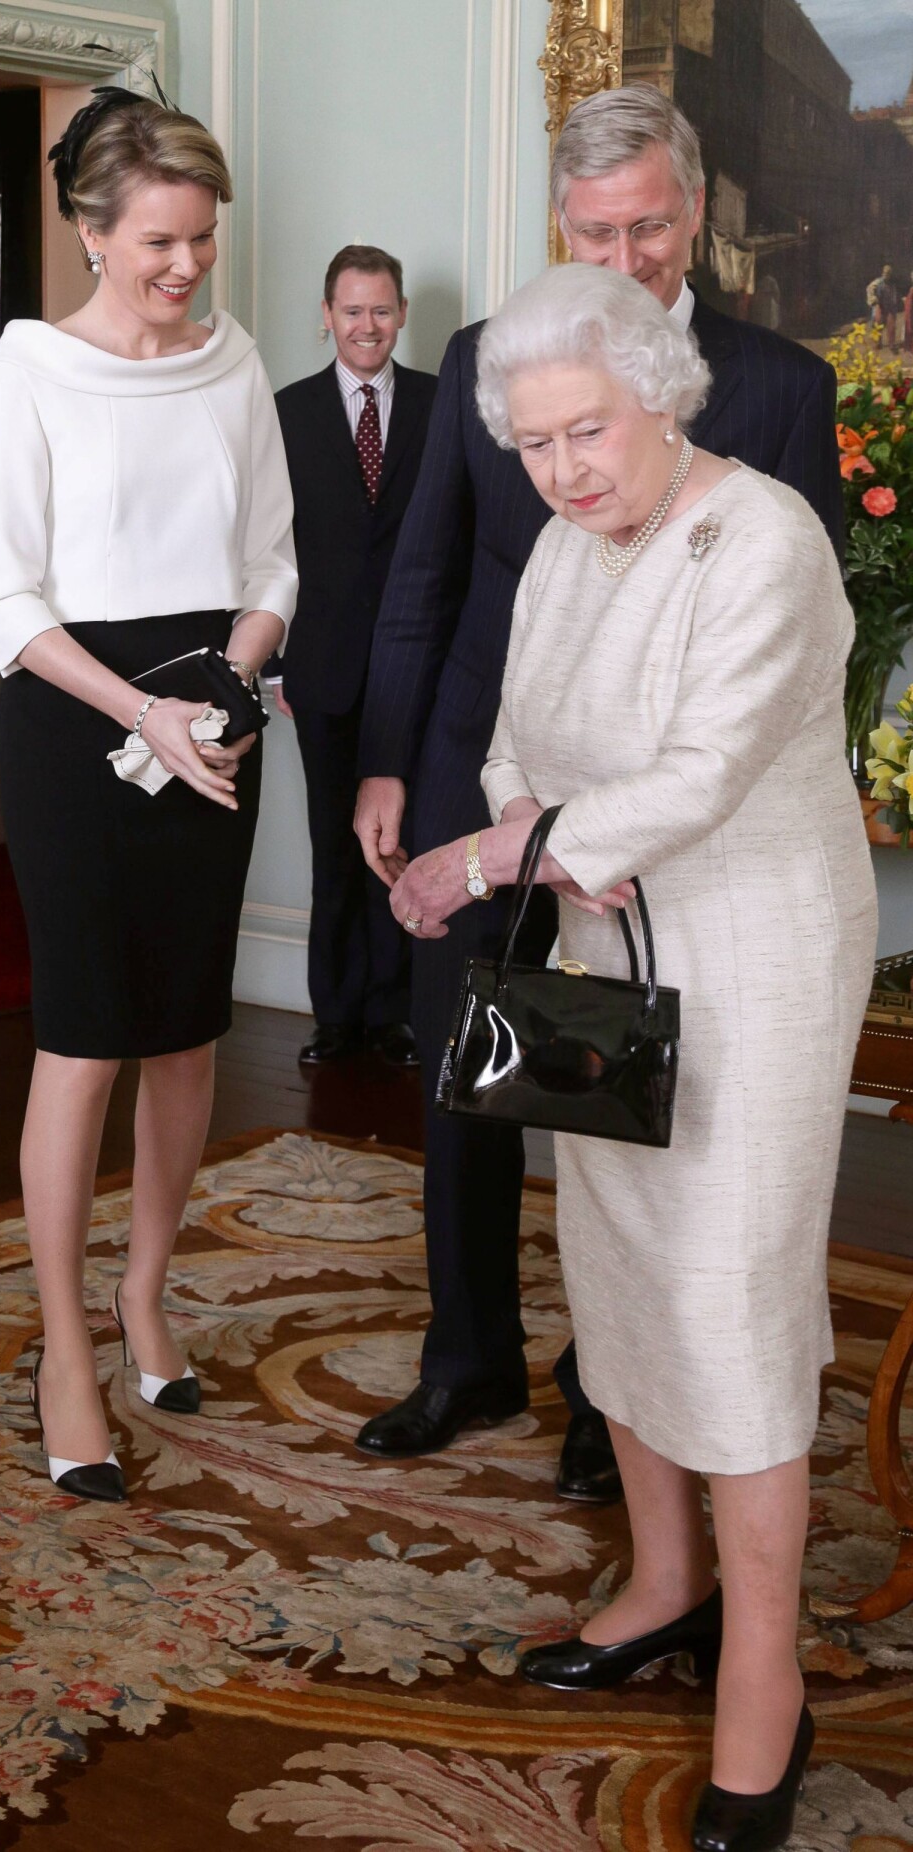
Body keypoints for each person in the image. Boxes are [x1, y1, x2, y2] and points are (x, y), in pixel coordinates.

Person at [390, 259, 875, 1852]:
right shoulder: (563, 546)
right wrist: (536, 830)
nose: (563, 471)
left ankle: (763, 1680)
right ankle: (667, 1584)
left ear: (661, 395)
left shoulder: (766, 539)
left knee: (730, 1298)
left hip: (752, 960)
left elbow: (705, 771)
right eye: (533, 444)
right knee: (620, 1270)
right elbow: (513, 739)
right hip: (604, 950)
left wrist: (495, 858)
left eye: (587, 430)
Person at [351, 85, 843, 1502]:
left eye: (646, 228)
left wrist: (596, 833)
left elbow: (772, 658)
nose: (621, 257)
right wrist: (400, 762)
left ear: (693, 214)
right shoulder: (488, 359)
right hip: (495, 765)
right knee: (473, 1070)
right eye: (592, 232)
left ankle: (606, 1394)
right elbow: (431, 573)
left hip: (675, 822)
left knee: (630, 1106)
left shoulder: (777, 388)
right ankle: (471, 1357)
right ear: (558, 224)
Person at [0, 89, 297, 1502]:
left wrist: (227, 684)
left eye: (201, 238)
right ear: (92, 232)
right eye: (160, 240)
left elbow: (275, 561)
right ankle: (64, 1347)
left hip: (211, 719)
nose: (186, 265)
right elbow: (4, 599)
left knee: (185, 1031)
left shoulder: (236, 362)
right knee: (88, 1037)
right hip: (75, 724)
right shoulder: (33, 368)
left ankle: (145, 1293)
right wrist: (142, 711)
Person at [268, 246, 437, 1067]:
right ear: (327, 316)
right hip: (322, 670)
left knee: (405, 842)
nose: (367, 326)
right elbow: (261, 546)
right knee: (336, 846)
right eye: (352, 310)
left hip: (420, 674)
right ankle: (337, 1016)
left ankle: (396, 1012)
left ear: (402, 314)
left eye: (381, 310)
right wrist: (273, 663)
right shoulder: (285, 412)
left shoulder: (442, 405)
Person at [867, 263, 899, 347]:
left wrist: (894, 304)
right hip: (880, 306)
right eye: (885, 272)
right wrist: (873, 299)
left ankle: (891, 343)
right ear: (882, 273)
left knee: (891, 325)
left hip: (889, 306)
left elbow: (894, 294)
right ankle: (878, 343)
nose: (886, 274)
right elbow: (869, 289)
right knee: (877, 324)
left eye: (888, 273)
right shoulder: (877, 282)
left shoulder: (892, 283)